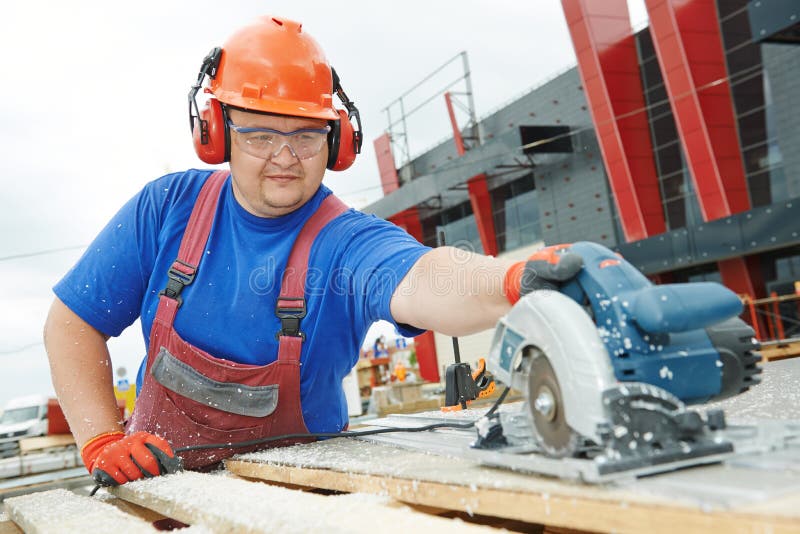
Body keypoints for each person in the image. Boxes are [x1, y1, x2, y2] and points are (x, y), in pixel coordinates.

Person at [43, 15, 581, 486]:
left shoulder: (347, 241)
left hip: (300, 503)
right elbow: (71, 323)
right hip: (157, 492)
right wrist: (101, 439)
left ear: (337, 142)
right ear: (217, 133)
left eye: (305, 135)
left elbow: (427, 277)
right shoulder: (166, 209)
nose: (284, 157)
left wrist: (511, 281)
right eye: (259, 135)